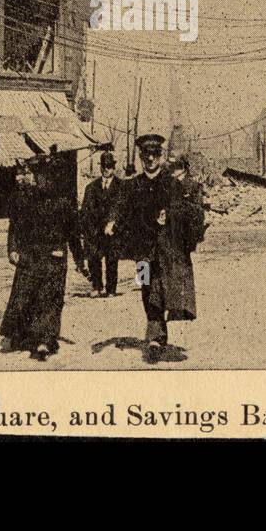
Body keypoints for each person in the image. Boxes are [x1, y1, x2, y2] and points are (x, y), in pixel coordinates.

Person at [106, 134, 204, 361]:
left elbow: (185, 210)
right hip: (141, 251)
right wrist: (112, 221)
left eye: (154, 154)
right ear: (141, 158)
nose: (150, 159)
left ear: (160, 157)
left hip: (164, 250)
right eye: (145, 155)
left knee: (160, 288)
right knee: (145, 287)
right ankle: (156, 333)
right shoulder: (134, 184)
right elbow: (119, 205)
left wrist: (169, 214)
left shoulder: (171, 184)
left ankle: (156, 336)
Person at [0, 158, 81, 361]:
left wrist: (80, 260)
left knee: (51, 299)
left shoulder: (63, 202)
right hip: (31, 256)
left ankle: (45, 340)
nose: (36, 179)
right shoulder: (25, 199)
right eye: (35, 175)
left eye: (39, 175)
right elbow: (15, 226)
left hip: (54, 258)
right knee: (26, 297)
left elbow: (73, 234)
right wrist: (13, 249)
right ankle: (22, 335)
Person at [80, 151, 122, 297]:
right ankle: (97, 286)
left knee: (112, 260)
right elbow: (85, 211)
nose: (106, 169)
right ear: (100, 167)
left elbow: (122, 208)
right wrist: (90, 230)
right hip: (96, 232)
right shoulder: (91, 187)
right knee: (94, 258)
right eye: (104, 166)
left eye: (109, 166)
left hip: (113, 231)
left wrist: (113, 224)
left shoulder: (121, 186)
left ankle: (111, 289)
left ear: (114, 167)